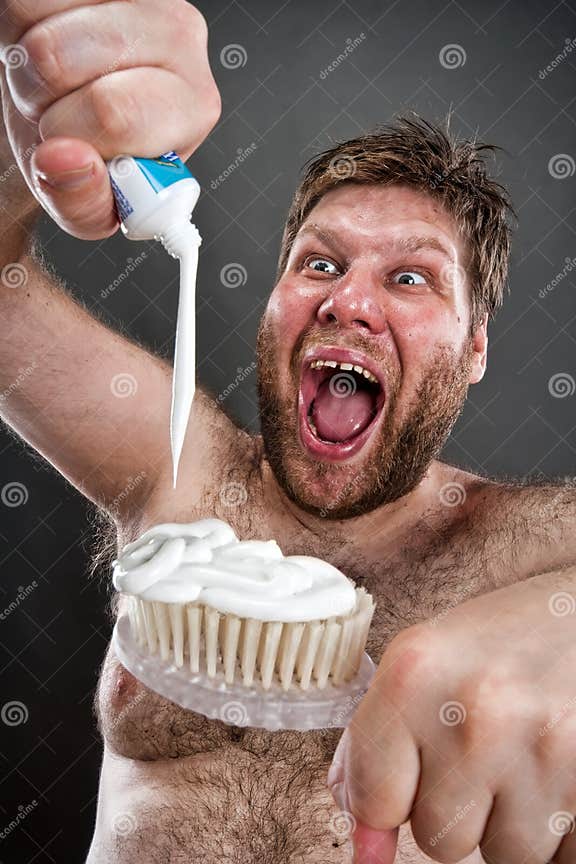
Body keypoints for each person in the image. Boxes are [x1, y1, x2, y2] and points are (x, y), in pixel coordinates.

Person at [1, 3, 575, 863]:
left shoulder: (541, 549)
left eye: (412, 277)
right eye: (319, 263)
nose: (348, 301)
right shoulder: (178, 469)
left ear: (476, 346)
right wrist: (19, 126)